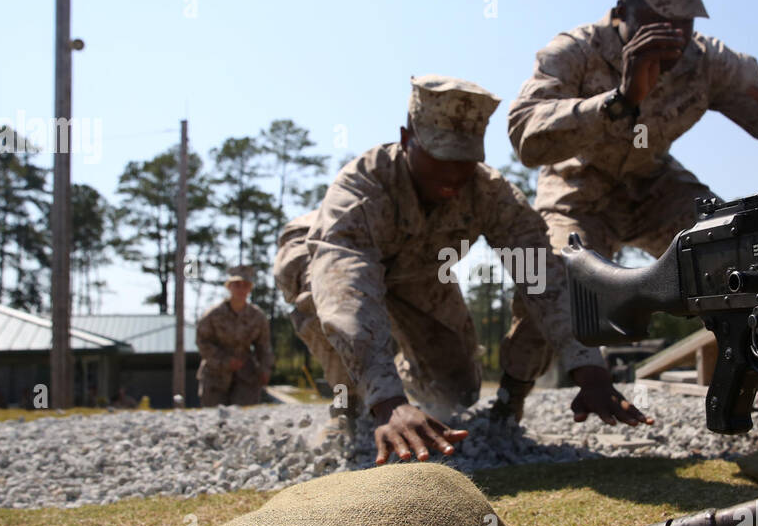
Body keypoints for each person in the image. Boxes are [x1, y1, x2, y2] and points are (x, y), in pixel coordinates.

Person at [506, 0, 758, 448]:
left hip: (654, 182)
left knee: (741, 252)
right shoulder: (574, 50)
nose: (674, 36)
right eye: (659, 21)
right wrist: (619, 102)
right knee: (553, 271)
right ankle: (508, 402)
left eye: (684, 24)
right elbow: (525, 135)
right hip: (578, 182)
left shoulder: (710, 62)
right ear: (623, 9)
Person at [274, 74, 650, 465]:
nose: (452, 178)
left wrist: (587, 364)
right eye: (439, 160)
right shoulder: (363, 186)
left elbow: (541, 277)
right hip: (323, 258)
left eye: (464, 164)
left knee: (458, 390)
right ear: (407, 140)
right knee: (326, 303)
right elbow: (347, 290)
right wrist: (387, 399)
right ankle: (349, 408)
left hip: (416, 274)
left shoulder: (491, 193)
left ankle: (400, 389)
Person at [195, 265, 274, 407]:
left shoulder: (258, 317)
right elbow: (202, 342)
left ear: (250, 289)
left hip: (246, 378)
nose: (241, 289)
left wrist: (265, 369)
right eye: (237, 285)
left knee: (244, 420)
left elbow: (264, 346)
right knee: (214, 420)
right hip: (215, 376)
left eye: (245, 285)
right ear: (229, 287)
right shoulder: (213, 315)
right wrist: (225, 361)